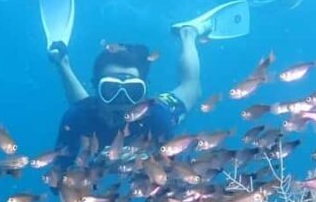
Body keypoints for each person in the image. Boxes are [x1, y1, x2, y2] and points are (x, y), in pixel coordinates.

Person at [49, 26, 202, 168]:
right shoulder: (77, 117)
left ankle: (188, 34)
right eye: (110, 90)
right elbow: (60, 174)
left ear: (145, 90)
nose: (121, 100)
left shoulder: (158, 117)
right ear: (96, 87)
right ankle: (62, 64)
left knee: (192, 88)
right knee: (82, 109)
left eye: (132, 91)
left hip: (147, 111)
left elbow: (170, 169)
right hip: (91, 112)